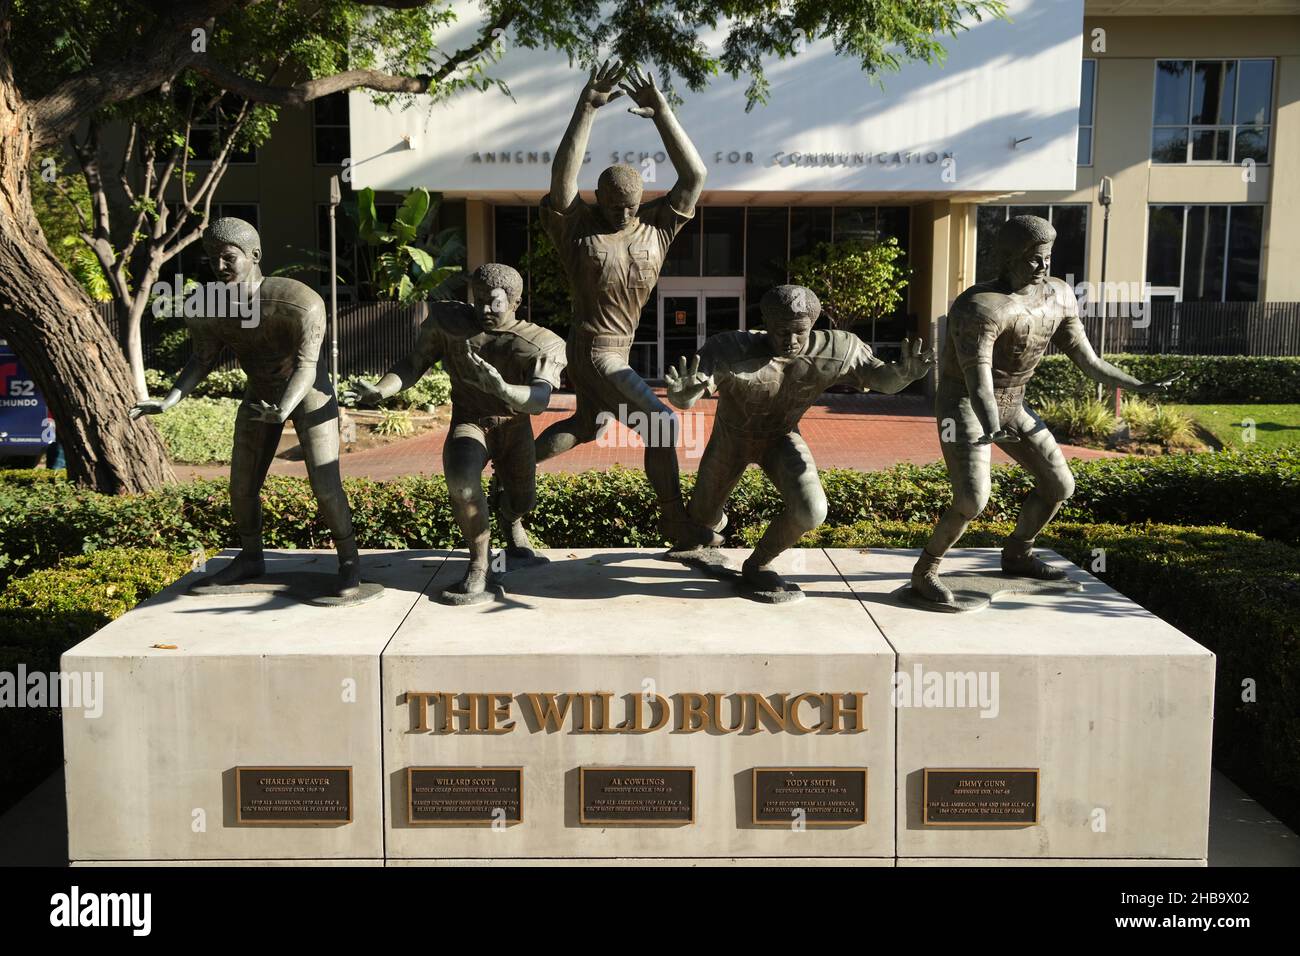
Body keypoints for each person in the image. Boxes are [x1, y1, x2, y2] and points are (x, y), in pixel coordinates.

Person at [911, 214, 1176, 608]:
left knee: (1059, 486)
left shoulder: (1059, 295)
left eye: (1048, 257)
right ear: (1008, 257)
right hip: (965, 403)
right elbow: (978, 380)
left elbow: (1088, 360)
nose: (1044, 266)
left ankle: (1018, 554)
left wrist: (1137, 384)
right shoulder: (979, 306)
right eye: (1034, 258)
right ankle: (926, 569)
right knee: (972, 499)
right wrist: (989, 423)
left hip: (1013, 401)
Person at [532, 60, 717, 550]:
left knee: (586, 426)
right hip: (593, 348)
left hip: (619, 350)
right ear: (599, 200)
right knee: (662, 422)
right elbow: (561, 179)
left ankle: (513, 473)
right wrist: (586, 108)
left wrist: (661, 113)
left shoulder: (657, 227)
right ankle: (675, 522)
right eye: (613, 206)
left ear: (641, 203)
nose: (622, 214)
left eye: (630, 206)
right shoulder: (578, 230)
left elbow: (695, 173)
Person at [130, 217, 362, 598]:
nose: (219, 268)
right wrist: (170, 399)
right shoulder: (208, 305)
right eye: (212, 260)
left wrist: (284, 408)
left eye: (228, 258)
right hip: (259, 395)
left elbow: (306, 366)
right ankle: (251, 557)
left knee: (325, 484)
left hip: (309, 395)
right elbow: (202, 360)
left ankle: (350, 561)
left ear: (254, 256)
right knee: (241, 486)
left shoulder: (297, 301)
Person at [666, 285, 934, 598]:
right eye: (781, 332)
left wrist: (905, 376)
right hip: (731, 439)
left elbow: (882, 380)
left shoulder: (836, 349)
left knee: (812, 510)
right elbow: (686, 397)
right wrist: (681, 393)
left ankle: (760, 564)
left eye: (799, 332)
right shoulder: (729, 348)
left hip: (781, 437)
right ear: (765, 322)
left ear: (813, 326)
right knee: (702, 520)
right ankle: (707, 527)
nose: (790, 341)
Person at [350, 264, 566, 604]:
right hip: (470, 421)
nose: (483, 309)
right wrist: (382, 389)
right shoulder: (448, 324)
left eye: (493, 302)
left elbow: (539, 401)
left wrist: (503, 389)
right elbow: (413, 363)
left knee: (524, 499)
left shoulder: (540, 342)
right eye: (477, 300)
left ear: (515, 302)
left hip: (513, 426)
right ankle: (480, 564)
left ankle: (511, 521)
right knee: (462, 483)